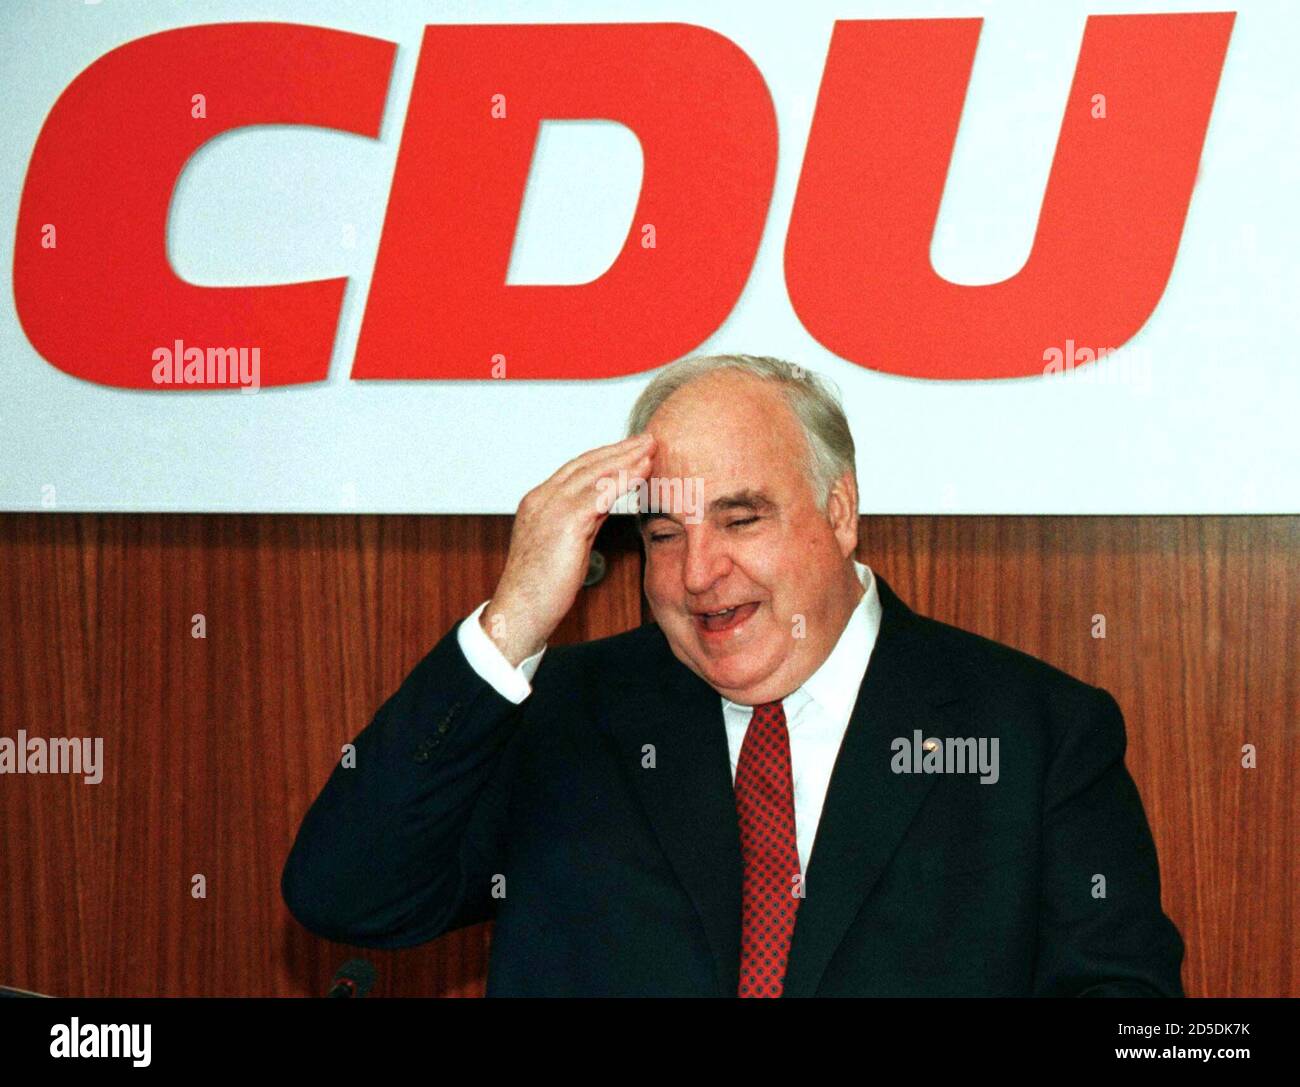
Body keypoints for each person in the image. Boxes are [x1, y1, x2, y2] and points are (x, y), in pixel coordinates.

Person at [281, 354, 1185, 997]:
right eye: (665, 533)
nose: (697, 572)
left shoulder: (1035, 733)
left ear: (839, 511)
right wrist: (511, 620)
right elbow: (347, 893)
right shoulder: (565, 715)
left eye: (741, 519)